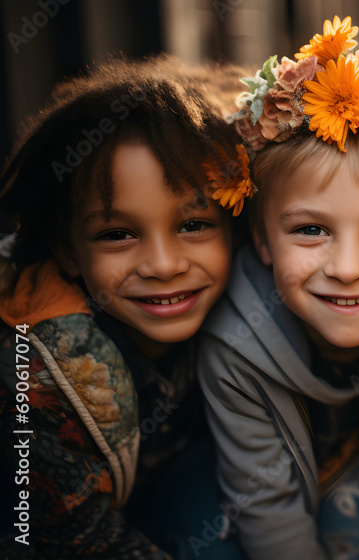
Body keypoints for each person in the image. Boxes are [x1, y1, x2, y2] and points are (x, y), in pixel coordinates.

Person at [196, 15, 359, 560]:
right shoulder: (234, 347)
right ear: (260, 239)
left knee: (357, 513)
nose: (348, 268)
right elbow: (268, 511)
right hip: (260, 493)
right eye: (310, 230)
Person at [0, 56, 246, 559]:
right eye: (117, 234)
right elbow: (71, 542)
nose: (162, 264)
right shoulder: (41, 374)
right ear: (68, 250)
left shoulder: (254, 295)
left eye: (193, 224)